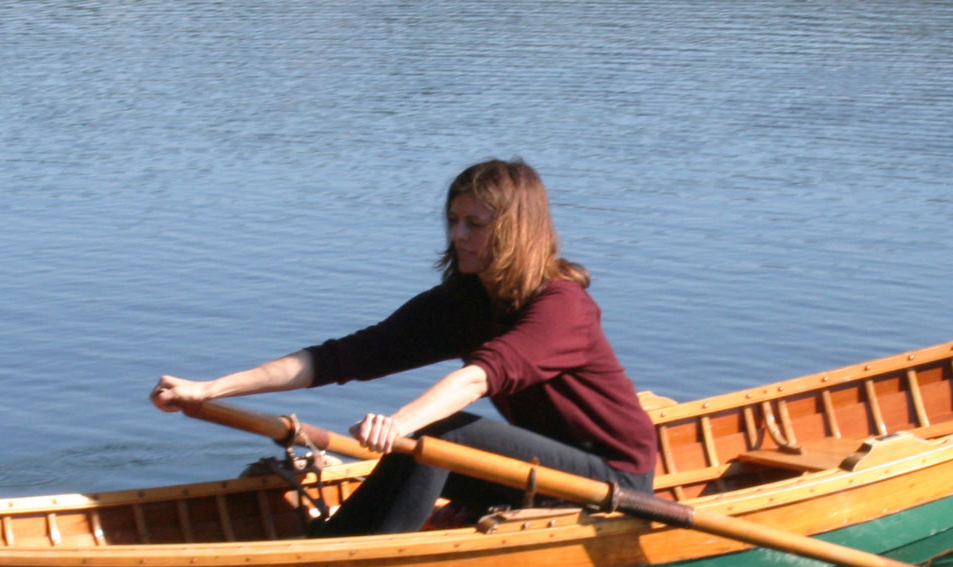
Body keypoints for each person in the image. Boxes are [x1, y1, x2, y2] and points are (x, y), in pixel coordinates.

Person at [151, 158, 657, 535]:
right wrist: (212, 388)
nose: (457, 235)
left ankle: (362, 561)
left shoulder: (561, 306)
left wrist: (403, 423)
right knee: (422, 448)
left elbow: (479, 377)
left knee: (439, 434)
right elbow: (338, 358)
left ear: (514, 230)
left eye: (474, 225)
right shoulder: (463, 301)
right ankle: (340, 544)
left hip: (614, 484)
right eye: (453, 221)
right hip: (534, 476)